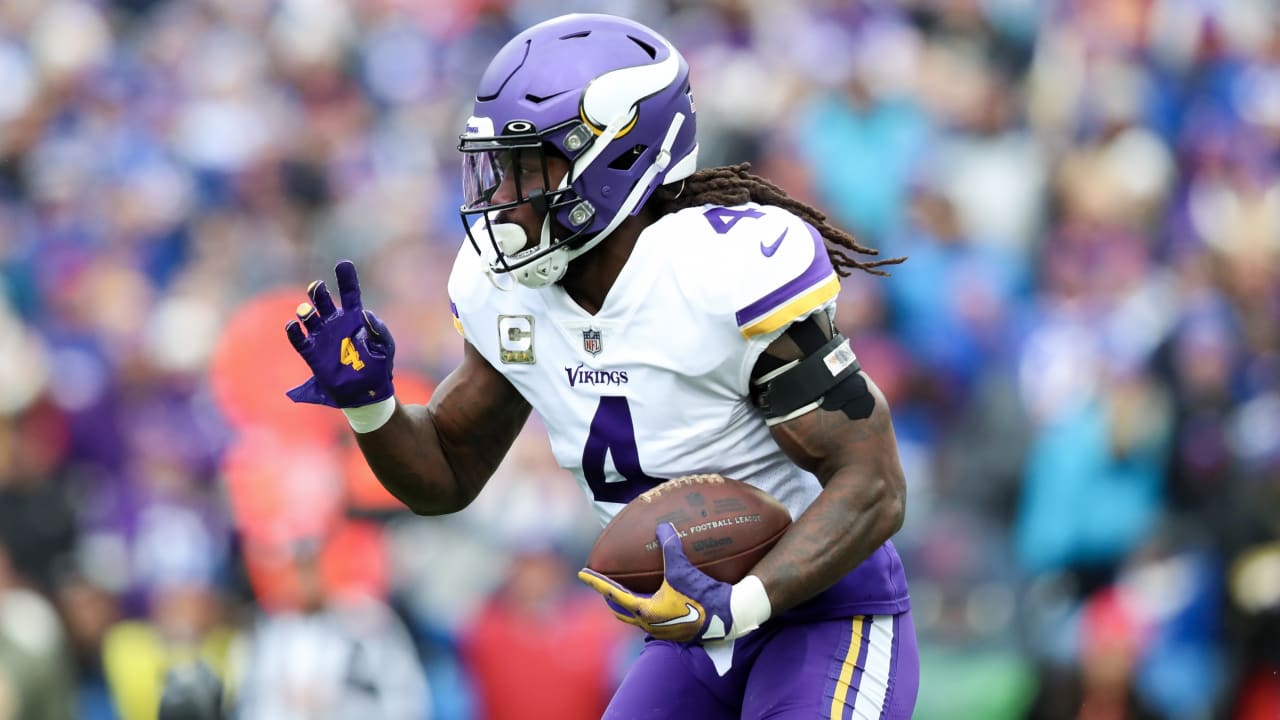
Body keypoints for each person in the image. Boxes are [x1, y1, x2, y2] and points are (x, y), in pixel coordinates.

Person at [285, 13, 917, 718]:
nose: (498, 197)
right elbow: (447, 474)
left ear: (618, 155)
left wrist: (739, 604)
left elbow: (873, 484)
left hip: (824, 611)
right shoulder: (508, 292)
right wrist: (370, 406)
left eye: (528, 166)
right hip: (689, 631)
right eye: (495, 168)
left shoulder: (717, 273)